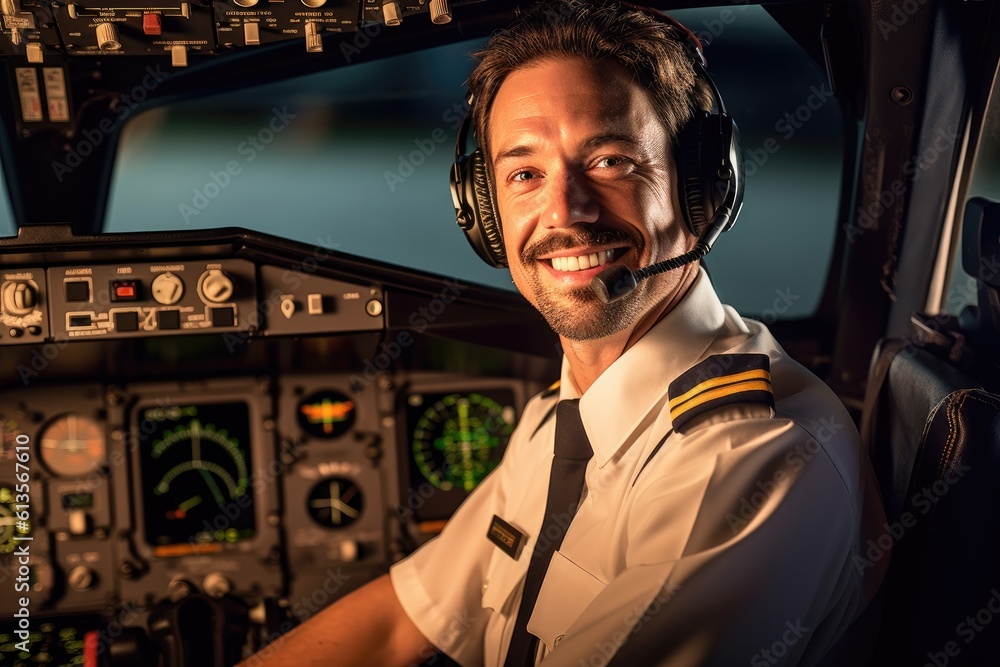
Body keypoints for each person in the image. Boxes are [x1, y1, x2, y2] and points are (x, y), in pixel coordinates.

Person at [240, 2, 887, 665]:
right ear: (484, 214)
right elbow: (395, 624)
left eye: (610, 161)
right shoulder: (560, 419)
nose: (565, 212)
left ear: (703, 188)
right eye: (525, 174)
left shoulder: (748, 456)